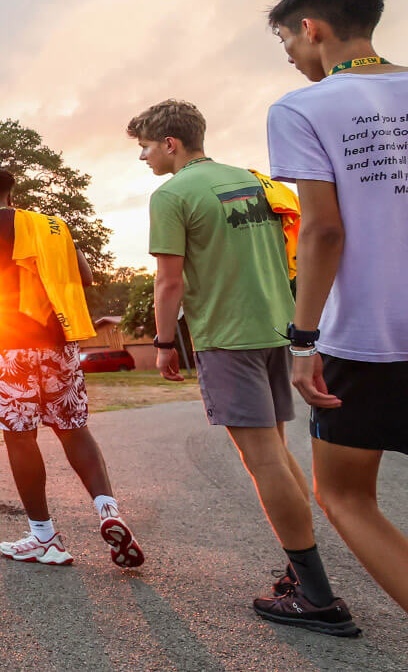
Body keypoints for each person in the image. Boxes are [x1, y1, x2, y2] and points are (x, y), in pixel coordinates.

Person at [130, 98, 355, 633]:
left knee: (264, 462)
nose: (141, 157)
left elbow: (169, 280)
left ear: (170, 144)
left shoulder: (172, 194)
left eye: (144, 145)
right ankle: (300, 573)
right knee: (275, 451)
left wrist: (165, 343)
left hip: (227, 337)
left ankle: (317, 596)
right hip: (279, 330)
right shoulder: (253, 181)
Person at [266, 0, 408, 617]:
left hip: (371, 340)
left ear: (311, 27)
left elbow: (322, 231)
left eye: (289, 43)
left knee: (348, 497)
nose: (294, 57)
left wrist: (303, 340)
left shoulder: (301, 108)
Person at [0, 168, 144, 568]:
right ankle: (108, 510)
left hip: (5, 350)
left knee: (20, 439)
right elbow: (85, 275)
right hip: (56, 344)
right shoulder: (49, 227)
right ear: (12, 192)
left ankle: (45, 537)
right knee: (74, 430)